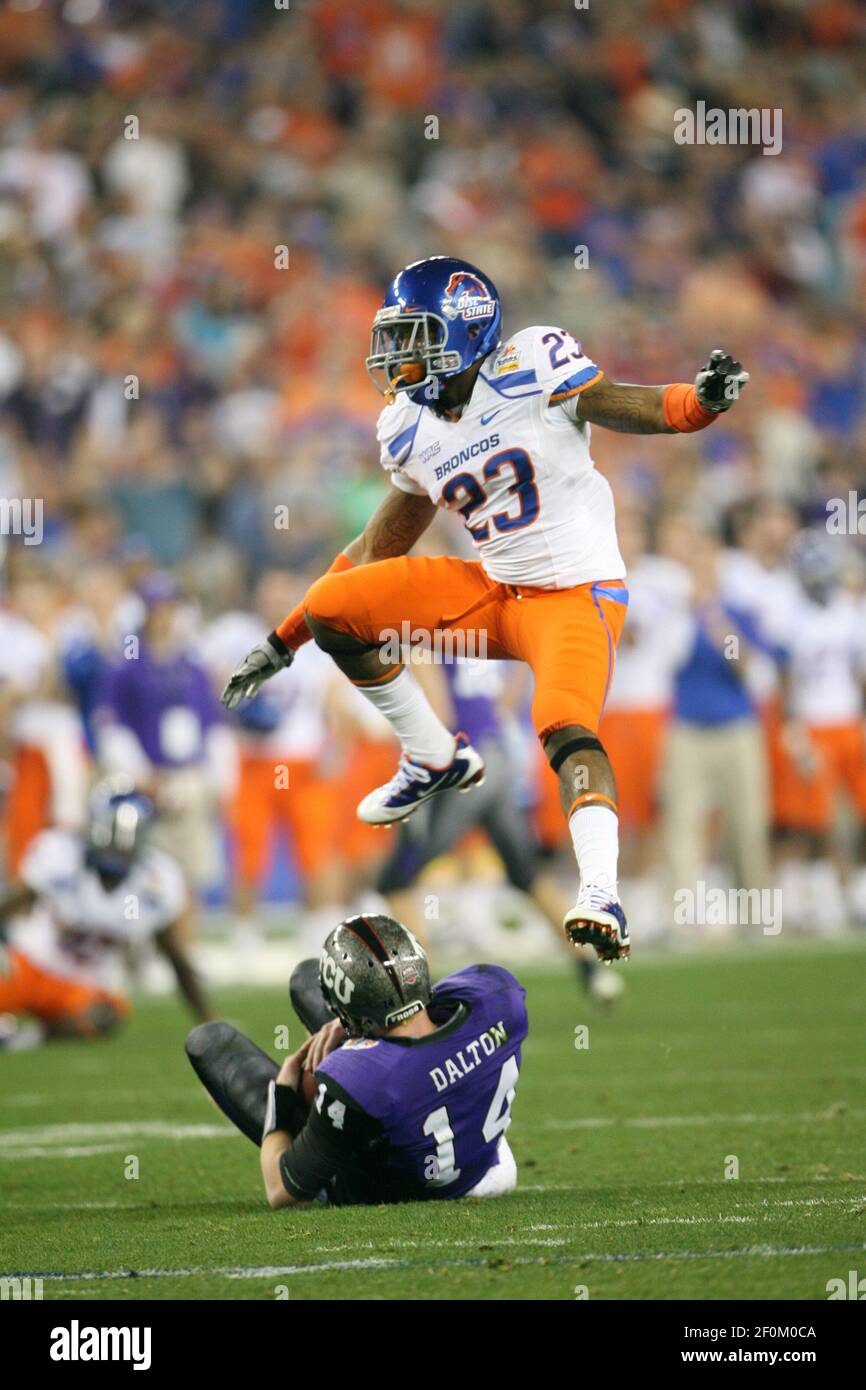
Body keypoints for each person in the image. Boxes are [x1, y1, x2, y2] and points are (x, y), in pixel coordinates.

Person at [221, 256, 749, 962]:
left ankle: (599, 892)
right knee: (332, 608)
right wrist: (285, 640)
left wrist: (698, 403)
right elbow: (379, 544)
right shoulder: (411, 424)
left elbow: (627, 402)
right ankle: (432, 753)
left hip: (575, 594)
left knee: (563, 728)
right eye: (396, 339)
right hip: (494, 594)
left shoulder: (531, 364)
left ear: (468, 332)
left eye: (417, 337)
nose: (400, 357)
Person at [186, 914, 527, 1207]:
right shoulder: (499, 996)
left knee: (208, 1044)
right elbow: (423, 1004)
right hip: (490, 1161)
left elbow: (281, 1190)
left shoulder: (358, 1076)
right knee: (307, 977)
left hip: (402, 1188)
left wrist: (283, 1094)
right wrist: (353, 1022)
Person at [0, 775, 211, 1048]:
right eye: (110, 830)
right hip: (29, 967)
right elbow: (11, 905)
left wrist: (207, 1017)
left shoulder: (154, 881)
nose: (118, 844)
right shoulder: (61, 854)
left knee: (110, 1013)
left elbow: (176, 959)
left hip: (80, 989)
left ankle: (24, 1039)